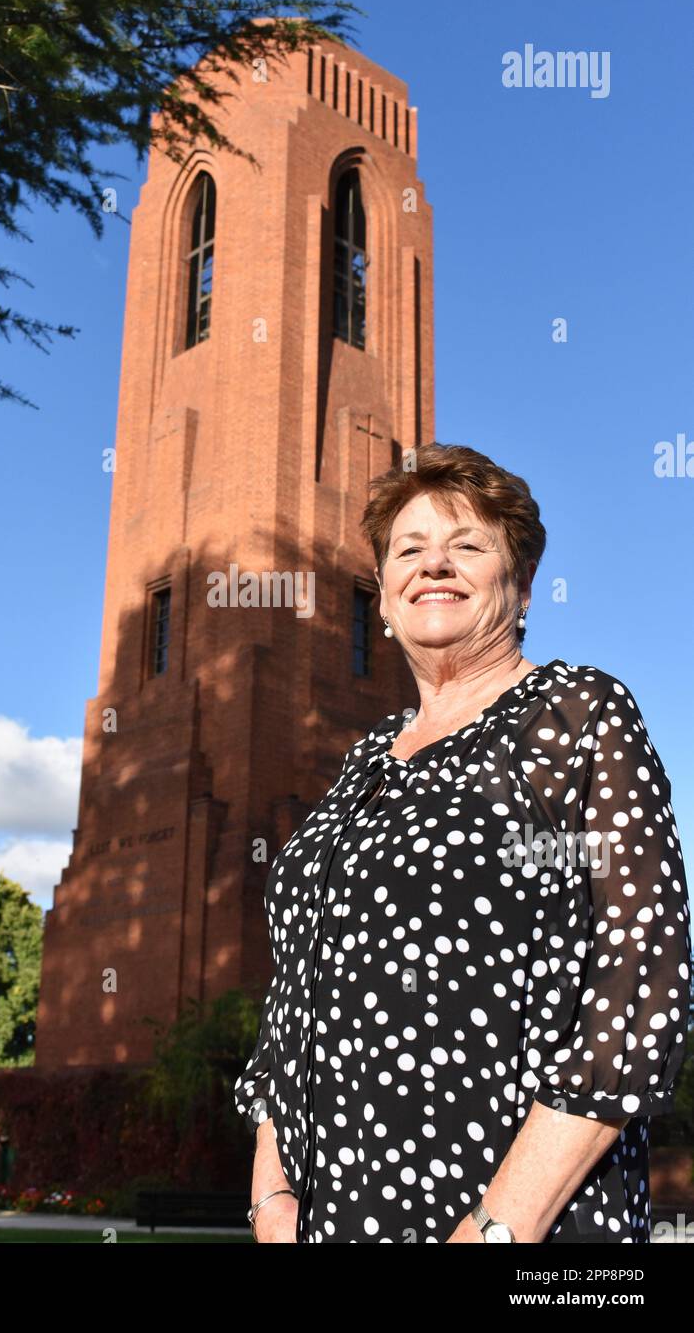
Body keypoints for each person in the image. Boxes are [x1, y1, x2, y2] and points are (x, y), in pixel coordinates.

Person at [234, 442, 691, 1244]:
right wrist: (272, 1201)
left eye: (468, 546)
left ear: (519, 584)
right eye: (408, 550)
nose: (433, 565)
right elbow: (289, 1007)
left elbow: (639, 987)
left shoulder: (573, 719)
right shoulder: (364, 765)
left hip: (520, 1227)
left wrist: (495, 1230)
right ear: (381, 597)